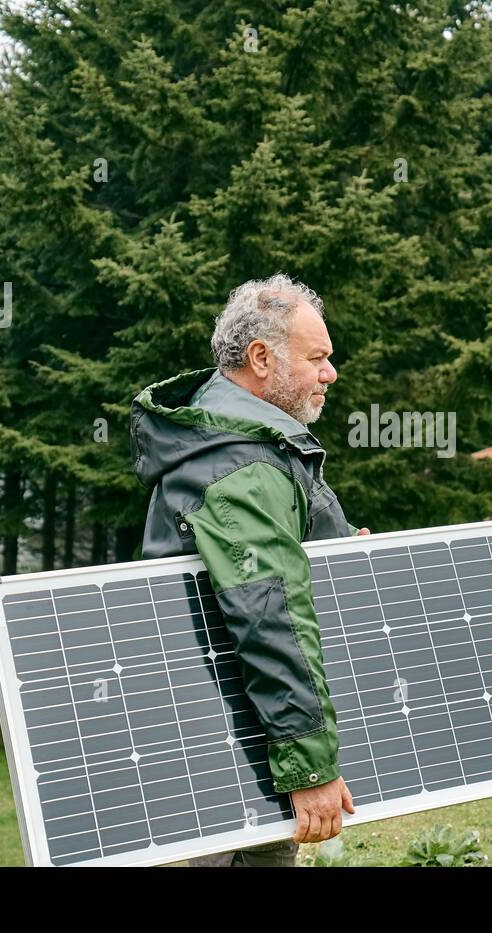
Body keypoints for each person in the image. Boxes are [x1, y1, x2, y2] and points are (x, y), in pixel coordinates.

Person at [131, 273, 368, 866]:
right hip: (214, 750)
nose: (330, 373)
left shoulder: (251, 447)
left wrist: (343, 556)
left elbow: (278, 566)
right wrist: (310, 765)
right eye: (317, 358)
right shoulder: (239, 464)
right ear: (261, 358)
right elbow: (269, 614)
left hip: (244, 735)